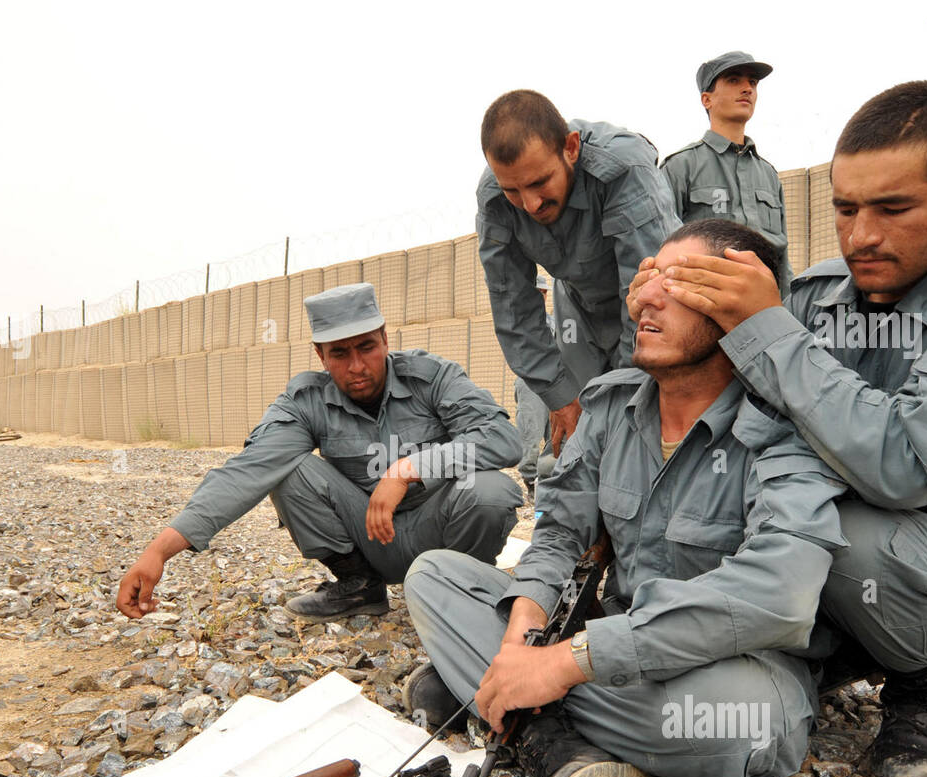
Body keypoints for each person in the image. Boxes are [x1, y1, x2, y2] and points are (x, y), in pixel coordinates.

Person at [651, 81, 927, 777]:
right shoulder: (819, 293)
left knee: (839, 532)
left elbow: (905, 463)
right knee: (737, 500)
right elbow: (755, 428)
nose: (862, 237)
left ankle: (919, 688)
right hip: (844, 528)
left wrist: (774, 335)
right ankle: (815, 658)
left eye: (893, 209)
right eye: (845, 210)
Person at [403, 220, 848, 777]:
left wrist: (560, 665)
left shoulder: (788, 424)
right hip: (616, 645)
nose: (644, 300)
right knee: (434, 576)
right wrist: (521, 631)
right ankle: (538, 721)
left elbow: (777, 596)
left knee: (742, 728)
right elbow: (558, 533)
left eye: (677, 282)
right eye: (647, 278)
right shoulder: (613, 407)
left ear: (740, 307)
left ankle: (499, 700)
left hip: (728, 669)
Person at [116, 283, 523, 622]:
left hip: (443, 528)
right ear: (320, 355)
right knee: (288, 470)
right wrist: (159, 551)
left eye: (366, 347)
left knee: (490, 490)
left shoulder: (433, 377)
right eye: (340, 354)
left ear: (384, 338)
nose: (357, 366)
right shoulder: (306, 400)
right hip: (371, 539)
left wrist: (408, 469)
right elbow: (248, 471)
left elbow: (502, 439)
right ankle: (359, 588)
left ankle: (458, 595)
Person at [477, 89, 680, 456]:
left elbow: (651, 291)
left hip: (661, 300)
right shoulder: (493, 199)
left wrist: (620, 393)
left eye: (540, 182)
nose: (530, 204)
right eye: (513, 190)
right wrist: (560, 396)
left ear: (570, 148)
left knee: (643, 422)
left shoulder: (622, 168)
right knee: (576, 444)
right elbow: (514, 310)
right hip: (578, 304)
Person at [660, 51, 793, 295]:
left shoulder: (769, 175)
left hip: (764, 309)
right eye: (734, 80)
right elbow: (662, 249)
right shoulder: (681, 167)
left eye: (752, 82)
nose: (747, 89)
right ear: (706, 99)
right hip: (704, 304)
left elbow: (782, 258)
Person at [512, 274, 556, 501]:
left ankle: (550, 481)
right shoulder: (519, 321)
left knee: (557, 437)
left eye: (544, 292)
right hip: (531, 383)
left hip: (557, 383)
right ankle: (530, 481)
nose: (541, 296)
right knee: (531, 434)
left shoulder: (554, 322)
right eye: (537, 292)